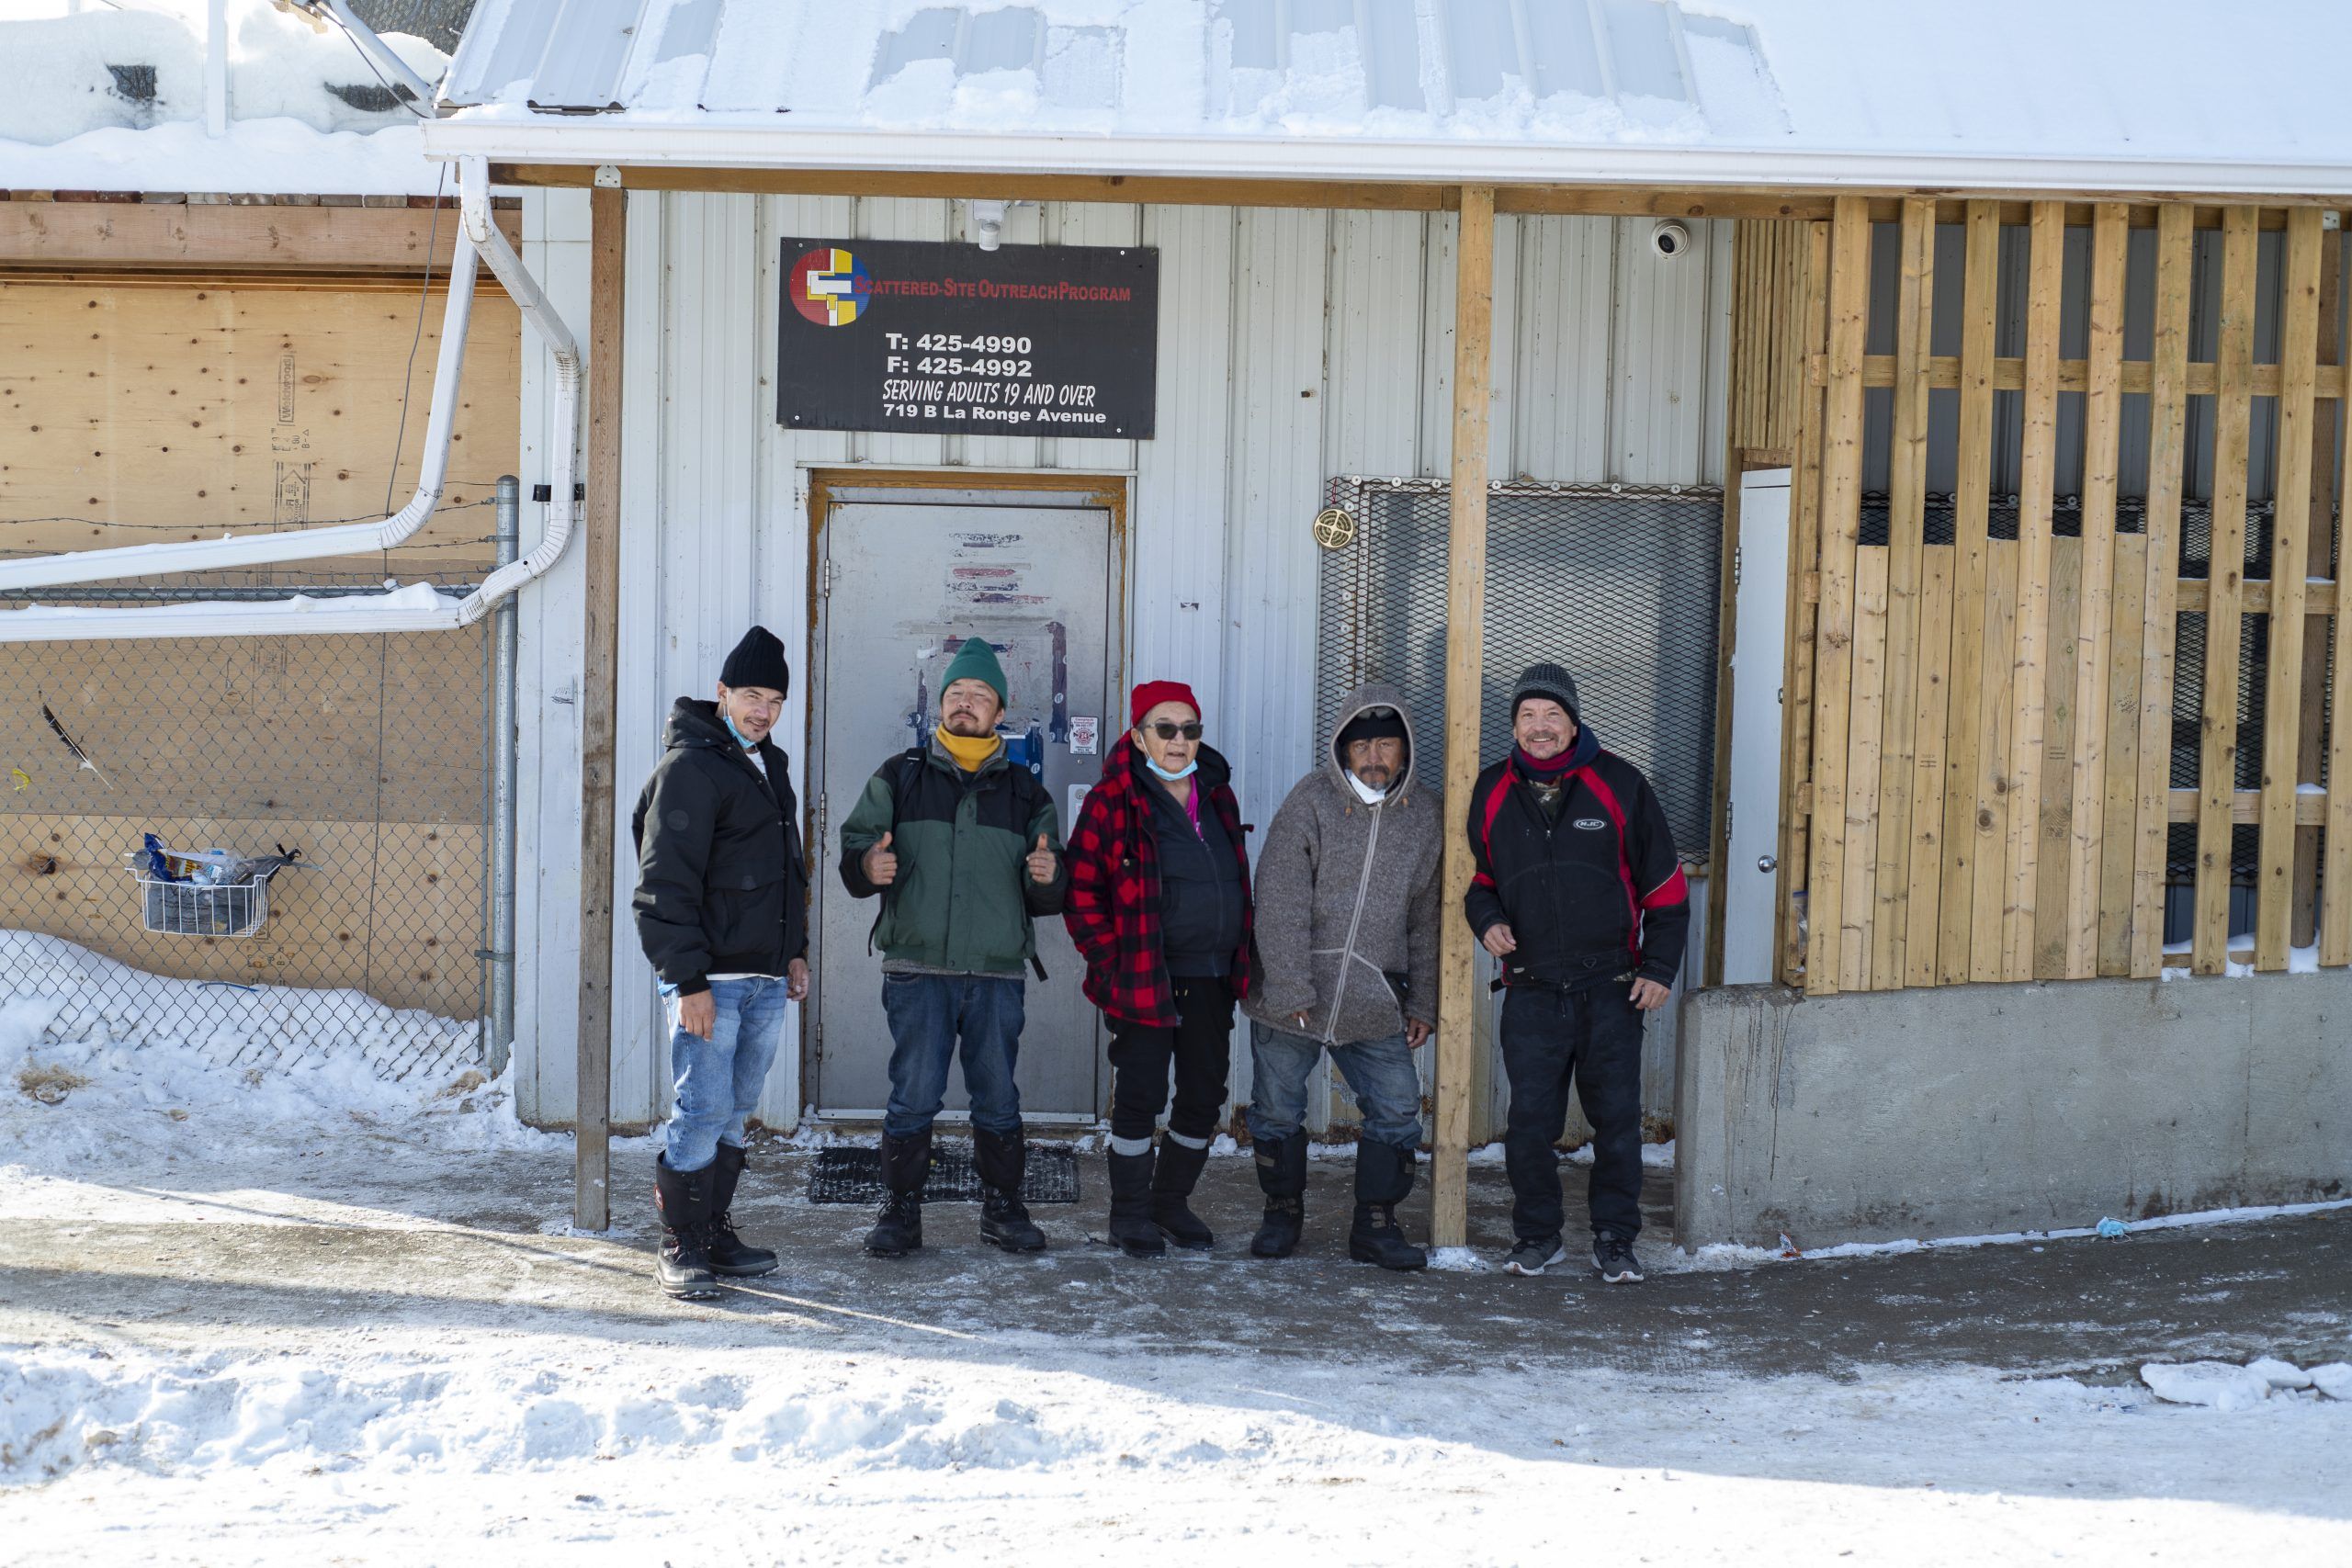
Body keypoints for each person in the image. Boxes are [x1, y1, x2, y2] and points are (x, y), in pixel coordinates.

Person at [837, 635, 1066, 1258]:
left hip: (996, 971)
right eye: (956, 694)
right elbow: (856, 846)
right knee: (914, 1091)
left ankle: (1003, 1208)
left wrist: (1048, 879)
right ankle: (900, 1211)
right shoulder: (899, 778)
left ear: (999, 711)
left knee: (998, 1092)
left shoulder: (1027, 794)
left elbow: (1048, 883)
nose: (965, 704)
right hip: (917, 968)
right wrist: (866, 865)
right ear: (940, 706)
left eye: (979, 696)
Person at [1464, 662, 1689, 1284]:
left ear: (1573, 719)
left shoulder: (1619, 783)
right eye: (1527, 716)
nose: (1540, 728)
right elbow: (1482, 881)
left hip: (1612, 989)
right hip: (1531, 988)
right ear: (1514, 724)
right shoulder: (1493, 790)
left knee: (1616, 1122)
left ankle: (1616, 1239)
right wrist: (1485, 920)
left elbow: (1666, 887)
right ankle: (1538, 1235)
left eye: (1552, 715)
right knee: (1529, 1124)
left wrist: (1661, 966)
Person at [630, 625, 809, 1301]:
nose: (762, 710)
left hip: (763, 976)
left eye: (774, 700)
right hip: (713, 981)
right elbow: (662, 887)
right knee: (701, 1109)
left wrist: (794, 950)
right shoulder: (691, 768)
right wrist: (687, 980)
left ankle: (711, 1229)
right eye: (751, 695)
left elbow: (789, 871)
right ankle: (680, 1242)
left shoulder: (771, 763)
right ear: (722, 694)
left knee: (735, 1110)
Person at [1241, 684, 1441, 1271]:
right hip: (1293, 996)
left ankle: (1375, 1225)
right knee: (1277, 1108)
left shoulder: (1425, 816)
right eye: (1362, 746)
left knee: (1399, 1109)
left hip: (1373, 997)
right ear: (1342, 750)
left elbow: (1427, 916)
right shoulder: (1310, 802)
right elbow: (1277, 898)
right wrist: (1290, 987)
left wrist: (1423, 1001)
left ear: (1404, 751)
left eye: (1386, 744)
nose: (1374, 757)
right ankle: (1281, 1212)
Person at [1064, 681, 1254, 1258]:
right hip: (1144, 975)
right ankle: (1129, 1215)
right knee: (1140, 1097)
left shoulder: (1216, 793)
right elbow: (1080, 892)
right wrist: (1112, 962)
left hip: (1211, 976)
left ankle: (1171, 1201)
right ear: (1140, 734)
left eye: (1189, 729)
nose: (1178, 740)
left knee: (1202, 1095)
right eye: (1165, 728)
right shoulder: (1113, 799)